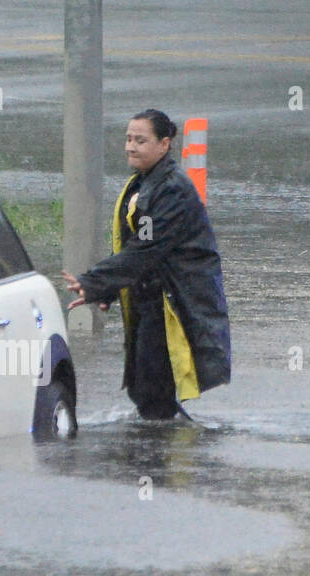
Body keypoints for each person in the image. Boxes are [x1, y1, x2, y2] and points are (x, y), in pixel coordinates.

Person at [62, 109, 231, 419]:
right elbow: (135, 248)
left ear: (164, 144)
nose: (131, 147)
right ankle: (162, 443)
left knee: (152, 388)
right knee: (143, 386)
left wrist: (95, 283)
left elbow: (144, 250)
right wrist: (108, 291)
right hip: (149, 297)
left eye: (141, 140)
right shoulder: (143, 183)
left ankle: (170, 454)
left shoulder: (171, 189)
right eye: (128, 139)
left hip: (174, 300)